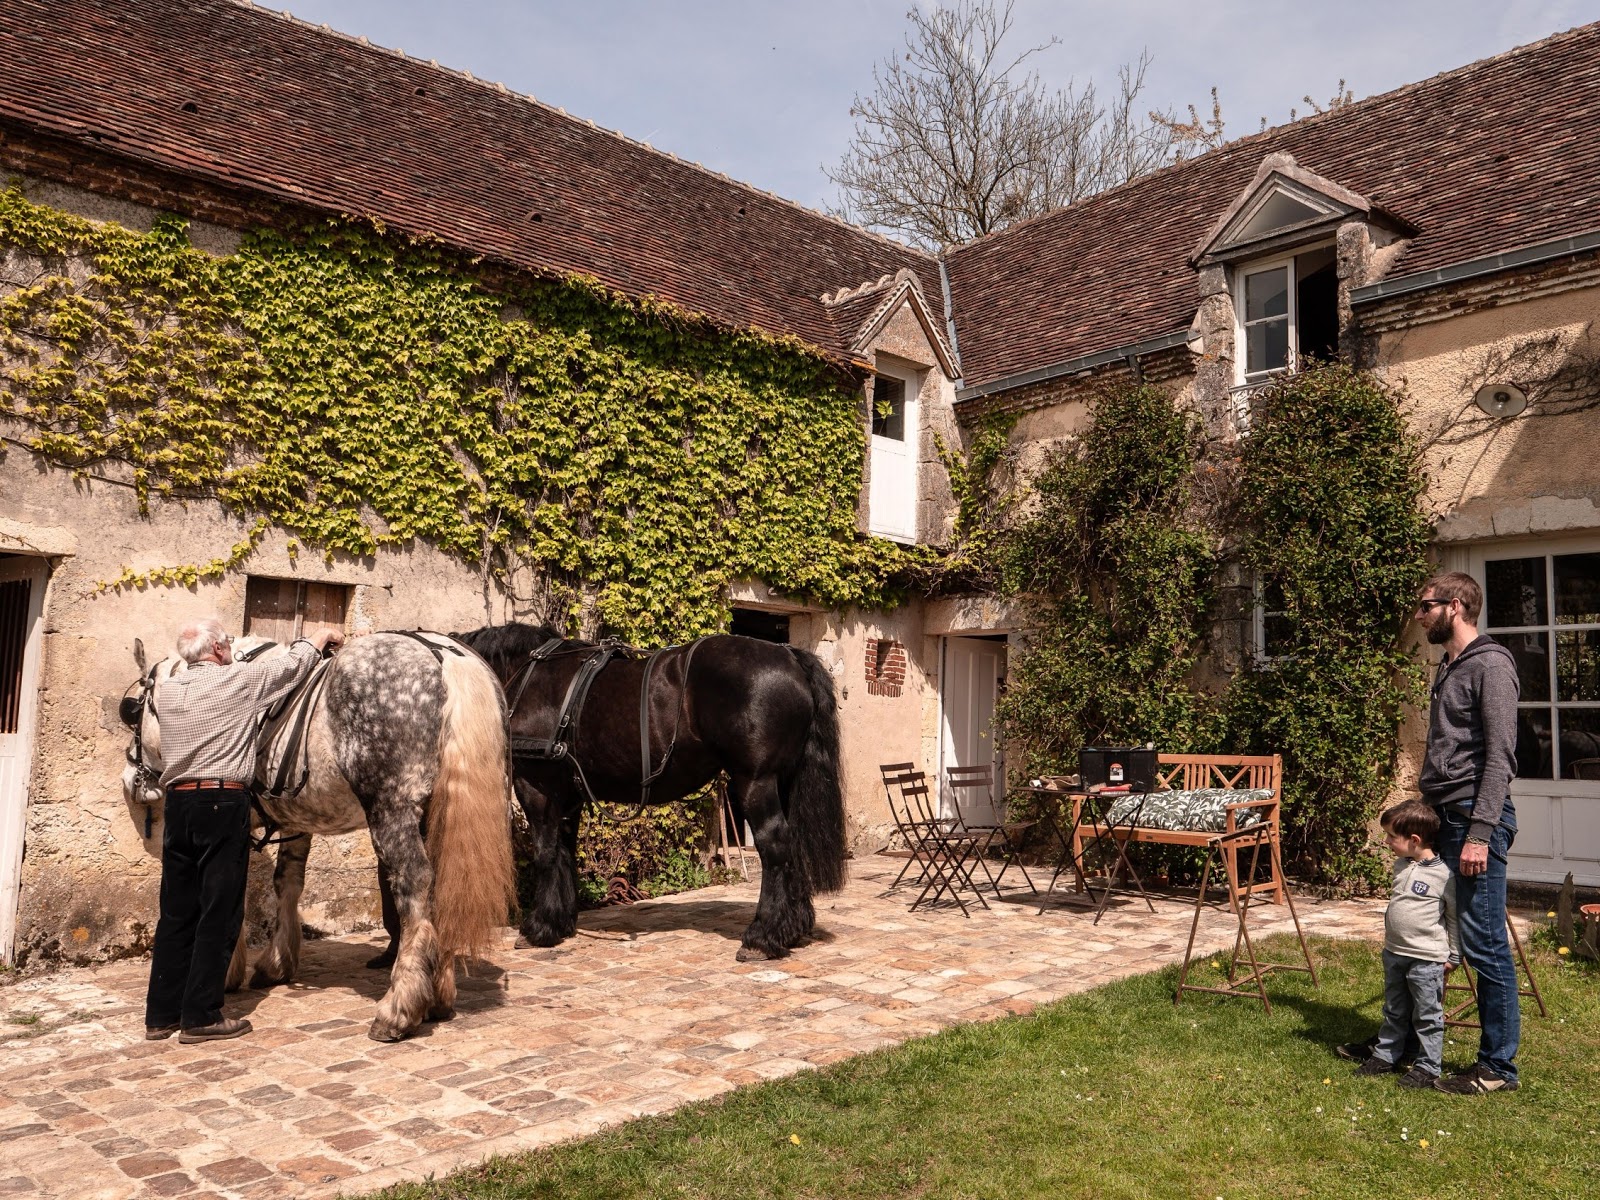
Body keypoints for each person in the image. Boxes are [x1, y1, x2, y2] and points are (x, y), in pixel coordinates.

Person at [144, 616, 342, 1044]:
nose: (232, 647)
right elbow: (292, 665)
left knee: (176, 912)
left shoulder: (168, 690)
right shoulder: (237, 681)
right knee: (220, 910)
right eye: (228, 642)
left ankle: (161, 1015)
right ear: (217, 649)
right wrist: (323, 635)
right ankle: (201, 1016)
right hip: (221, 802)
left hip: (178, 804)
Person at [1413, 570, 1521, 1094]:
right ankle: (1412, 1045)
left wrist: (1479, 833)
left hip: (1472, 820)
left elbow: (1500, 757)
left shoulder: (1491, 665)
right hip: (1442, 816)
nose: (1420, 616)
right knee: (1428, 937)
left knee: (1484, 945)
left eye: (1426, 606)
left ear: (1454, 606)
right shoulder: (1449, 664)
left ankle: (1497, 1068)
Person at [1349, 801, 1459, 1088]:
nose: (1386, 842)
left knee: (1427, 1015)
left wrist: (1455, 956)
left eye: (1391, 836)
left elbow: (1453, 918)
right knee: (1394, 1009)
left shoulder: (1444, 876)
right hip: (1395, 953)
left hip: (1426, 958)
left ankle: (1428, 1067)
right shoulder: (1401, 865)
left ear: (1414, 840)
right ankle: (1385, 1055)